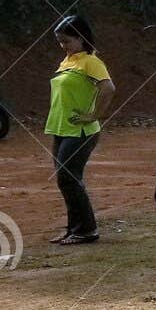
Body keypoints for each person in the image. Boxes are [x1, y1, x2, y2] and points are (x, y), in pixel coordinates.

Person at [45, 14, 115, 245]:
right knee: (66, 179)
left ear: (81, 38)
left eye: (67, 41)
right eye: (60, 42)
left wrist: (95, 115)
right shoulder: (68, 61)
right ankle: (75, 228)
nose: (63, 46)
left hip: (81, 131)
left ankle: (86, 229)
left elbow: (108, 88)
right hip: (62, 128)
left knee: (69, 178)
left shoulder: (90, 61)